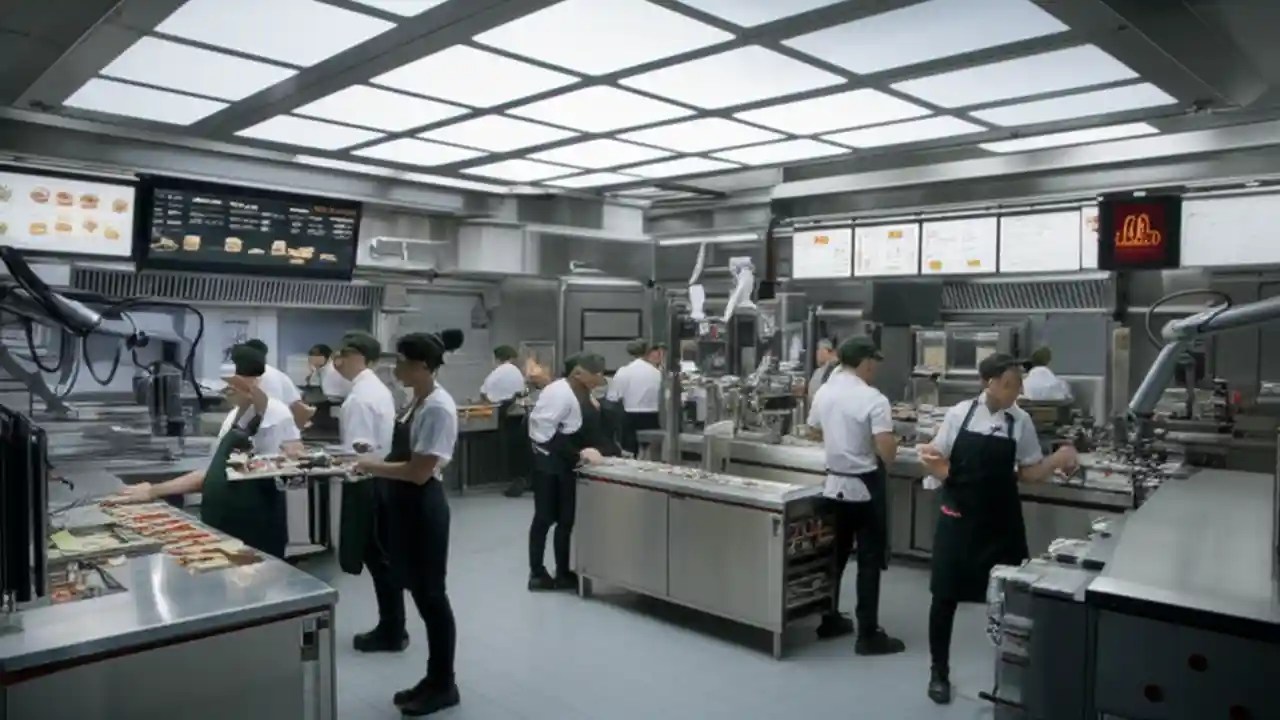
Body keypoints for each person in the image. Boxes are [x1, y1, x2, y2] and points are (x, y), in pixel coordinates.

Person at [917, 353, 1079, 705]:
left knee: (1012, 602)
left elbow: (1030, 473)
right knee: (944, 598)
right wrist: (944, 473)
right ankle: (938, 672)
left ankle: (1011, 679)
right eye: (1009, 385)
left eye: (1018, 385)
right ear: (987, 383)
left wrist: (1058, 459)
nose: (1015, 392)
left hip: (1000, 523)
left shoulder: (1019, 421)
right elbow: (932, 456)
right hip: (958, 520)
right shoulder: (960, 414)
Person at [354, 330, 465, 716]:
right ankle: (433, 677)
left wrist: (370, 466)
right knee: (418, 592)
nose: (395, 367)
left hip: (422, 508)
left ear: (421, 366)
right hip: (404, 505)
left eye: (400, 361)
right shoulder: (414, 400)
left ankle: (444, 683)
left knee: (432, 597)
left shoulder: (438, 407)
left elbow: (420, 472)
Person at [111, 344, 301, 557]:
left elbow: (282, 466)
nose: (228, 387)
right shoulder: (234, 415)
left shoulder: (275, 413)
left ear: (255, 380)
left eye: (236, 381)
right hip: (224, 526)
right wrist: (152, 491)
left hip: (255, 527)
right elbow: (213, 473)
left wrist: (154, 491)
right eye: (227, 381)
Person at [806, 336, 906, 655]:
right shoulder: (873, 399)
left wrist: (840, 438)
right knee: (869, 560)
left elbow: (812, 429)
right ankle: (868, 634)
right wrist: (894, 441)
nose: (874, 368)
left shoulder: (825, 392)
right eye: (873, 362)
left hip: (834, 484)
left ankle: (829, 617)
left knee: (834, 557)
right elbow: (887, 453)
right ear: (865, 362)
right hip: (865, 485)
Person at [328, 333, 402, 654]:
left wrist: (333, 463)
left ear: (357, 357)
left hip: (368, 482)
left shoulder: (359, 398)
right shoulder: (375, 390)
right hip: (381, 478)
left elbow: (360, 452)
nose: (337, 362)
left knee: (378, 558)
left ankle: (392, 631)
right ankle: (393, 626)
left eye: (341, 355)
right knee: (381, 557)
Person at [526, 352, 613, 591]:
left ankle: (563, 572)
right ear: (578, 372)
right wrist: (579, 455)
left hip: (565, 464)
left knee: (566, 520)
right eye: (595, 375)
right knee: (544, 518)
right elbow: (544, 433)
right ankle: (536, 573)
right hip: (549, 464)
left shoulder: (582, 392)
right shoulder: (558, 393)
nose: (599, 380)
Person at [481, 346, 530, 498]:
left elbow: (484, 393)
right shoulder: (516, 372)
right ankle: (523, 481)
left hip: (505, 412)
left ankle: (517, 483)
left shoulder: (500, 371)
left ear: (497, 357)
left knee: (511, 450)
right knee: (520, 450)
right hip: (519, 414)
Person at [606, 339, 663, 455]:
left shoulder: (625, 371)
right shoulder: (657, 373)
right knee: (652, 452)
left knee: (630, 452)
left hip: (630, 417)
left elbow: (613, 397)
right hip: (654, 416)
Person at [244, 338, 314, 428]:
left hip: (260, 427)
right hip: (277, 427)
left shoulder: (247, 375)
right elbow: (299, 408)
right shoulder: (279, 375)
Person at [807, 337, 839, 405]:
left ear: (832, 352)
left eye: (820, 350)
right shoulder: (819, 371)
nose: (818, 353)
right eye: (818, 350)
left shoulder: (835, 369)